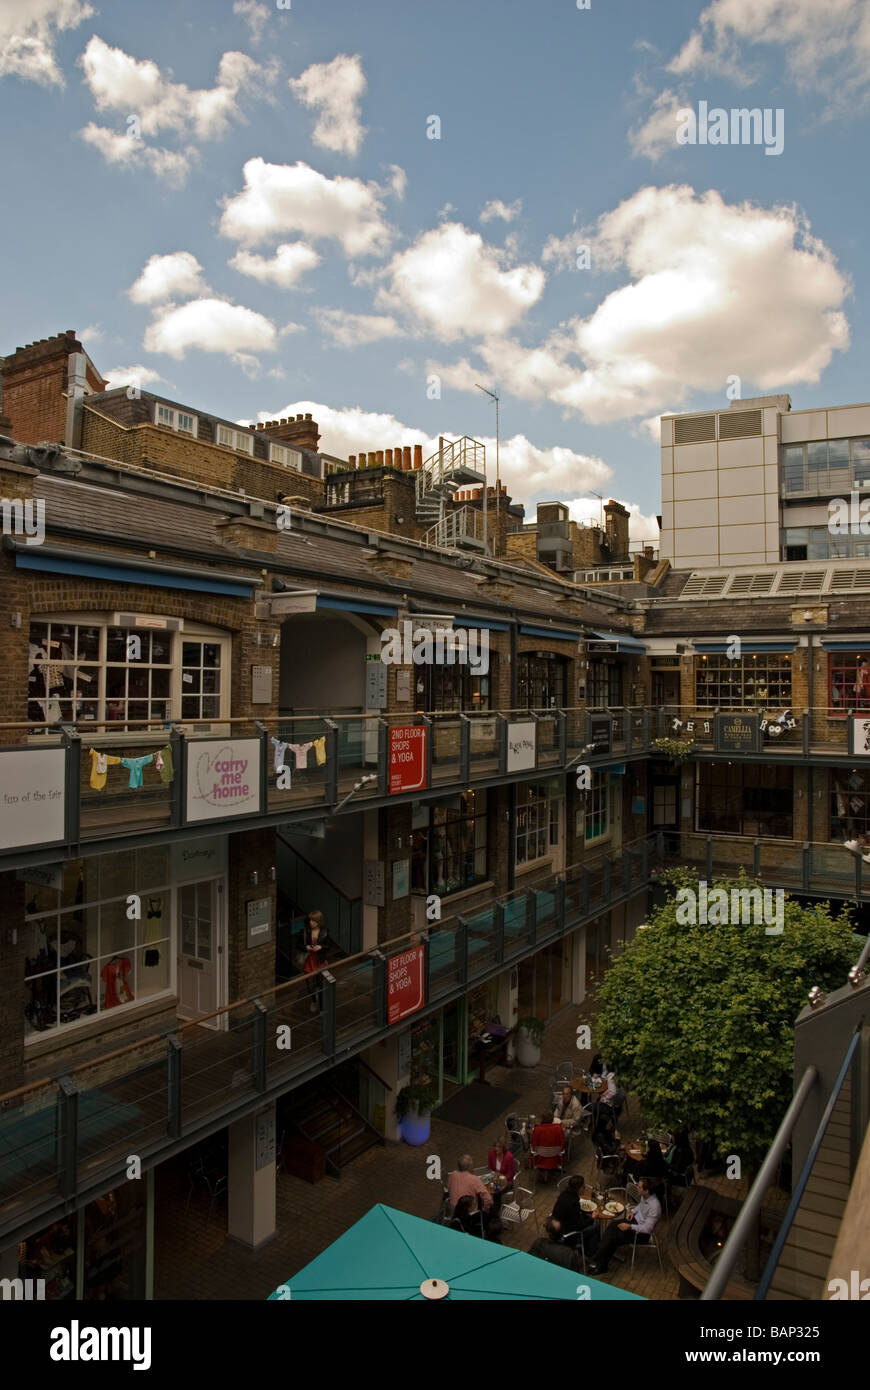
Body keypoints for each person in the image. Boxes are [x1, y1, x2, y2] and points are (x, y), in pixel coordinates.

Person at [588, 1178, 662, 1275]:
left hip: (641, 1233)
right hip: (634, 1222)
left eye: (639, 1187)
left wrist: (629, 1226)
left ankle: (600, 1262)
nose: (637, 1188)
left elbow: (648, 1229)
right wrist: (633, 1212)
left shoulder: (655, 1207)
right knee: (612, 1225)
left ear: (646, 1190)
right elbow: (640, 1206)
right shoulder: (645, 1196)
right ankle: (600, 1256)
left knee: (614, 1238)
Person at [551, 1174, 599, 1256]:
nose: (585, 1189)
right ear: (578, 1188)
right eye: (583, 1187)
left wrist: (584, 1214)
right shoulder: (573, 1203)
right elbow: (578, 1225)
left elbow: (573, 1215)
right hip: (568, 1236)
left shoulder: (564, 1194)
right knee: (596, 1227)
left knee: (588, 1220)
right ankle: (592, 1254)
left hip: (557, 1230)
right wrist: (592, 1218)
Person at [301, 910, 330, 1013]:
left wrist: (320, 947)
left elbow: (328, 946)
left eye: (313, 921)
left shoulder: (325, 931)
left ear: (319, 921)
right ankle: (314, 1000)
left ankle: (322, 1007)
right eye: (310, 920)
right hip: (309, 959)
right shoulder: (305, 931)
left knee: (320, 985)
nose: (311, 922)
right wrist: (306, 947)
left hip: (320, 960)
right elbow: (299, 945)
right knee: (309, 984)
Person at [530, 1110, 566, 1181]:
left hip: (540, 1159)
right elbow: (563, 1144)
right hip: (555, 1159)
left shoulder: (537, 1129)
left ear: (542, 1119)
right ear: (552, 1119)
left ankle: (541, 1172)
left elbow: (534, 1146)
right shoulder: (558, 1128)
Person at [486, 1134, 518, 1205]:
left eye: (499, 1147)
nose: (496, 1149)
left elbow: (510, 1173)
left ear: (503, 1148)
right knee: (485, 1188)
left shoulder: (509, 1157)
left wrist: (501, 1179)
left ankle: (496, 1210)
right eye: (495, 1146)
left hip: (507, 1181)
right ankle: (487, 1207)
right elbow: (490, 1167)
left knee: (496, 1192)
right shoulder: (491, 1153)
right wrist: (493, 1175)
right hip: (495, 1178)